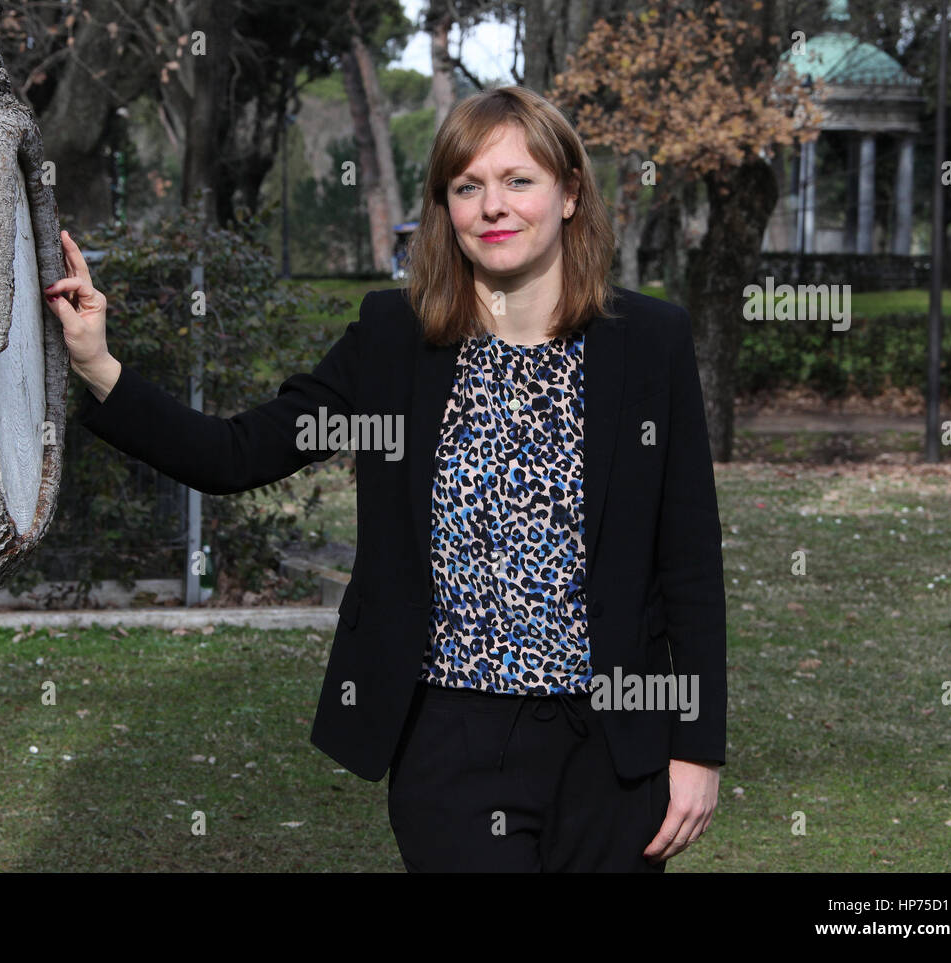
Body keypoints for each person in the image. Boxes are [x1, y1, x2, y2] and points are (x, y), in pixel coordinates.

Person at [45, 85, 726, 873]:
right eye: (467, 187)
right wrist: (99, 364)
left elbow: (689, 565)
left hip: (616, 750)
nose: (492, 206)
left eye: (518, 181)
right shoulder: (394, 340)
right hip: (452, 744)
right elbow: (236, 454)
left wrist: (697, 748)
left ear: (570, 192)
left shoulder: (650, 342)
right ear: (445, 206)